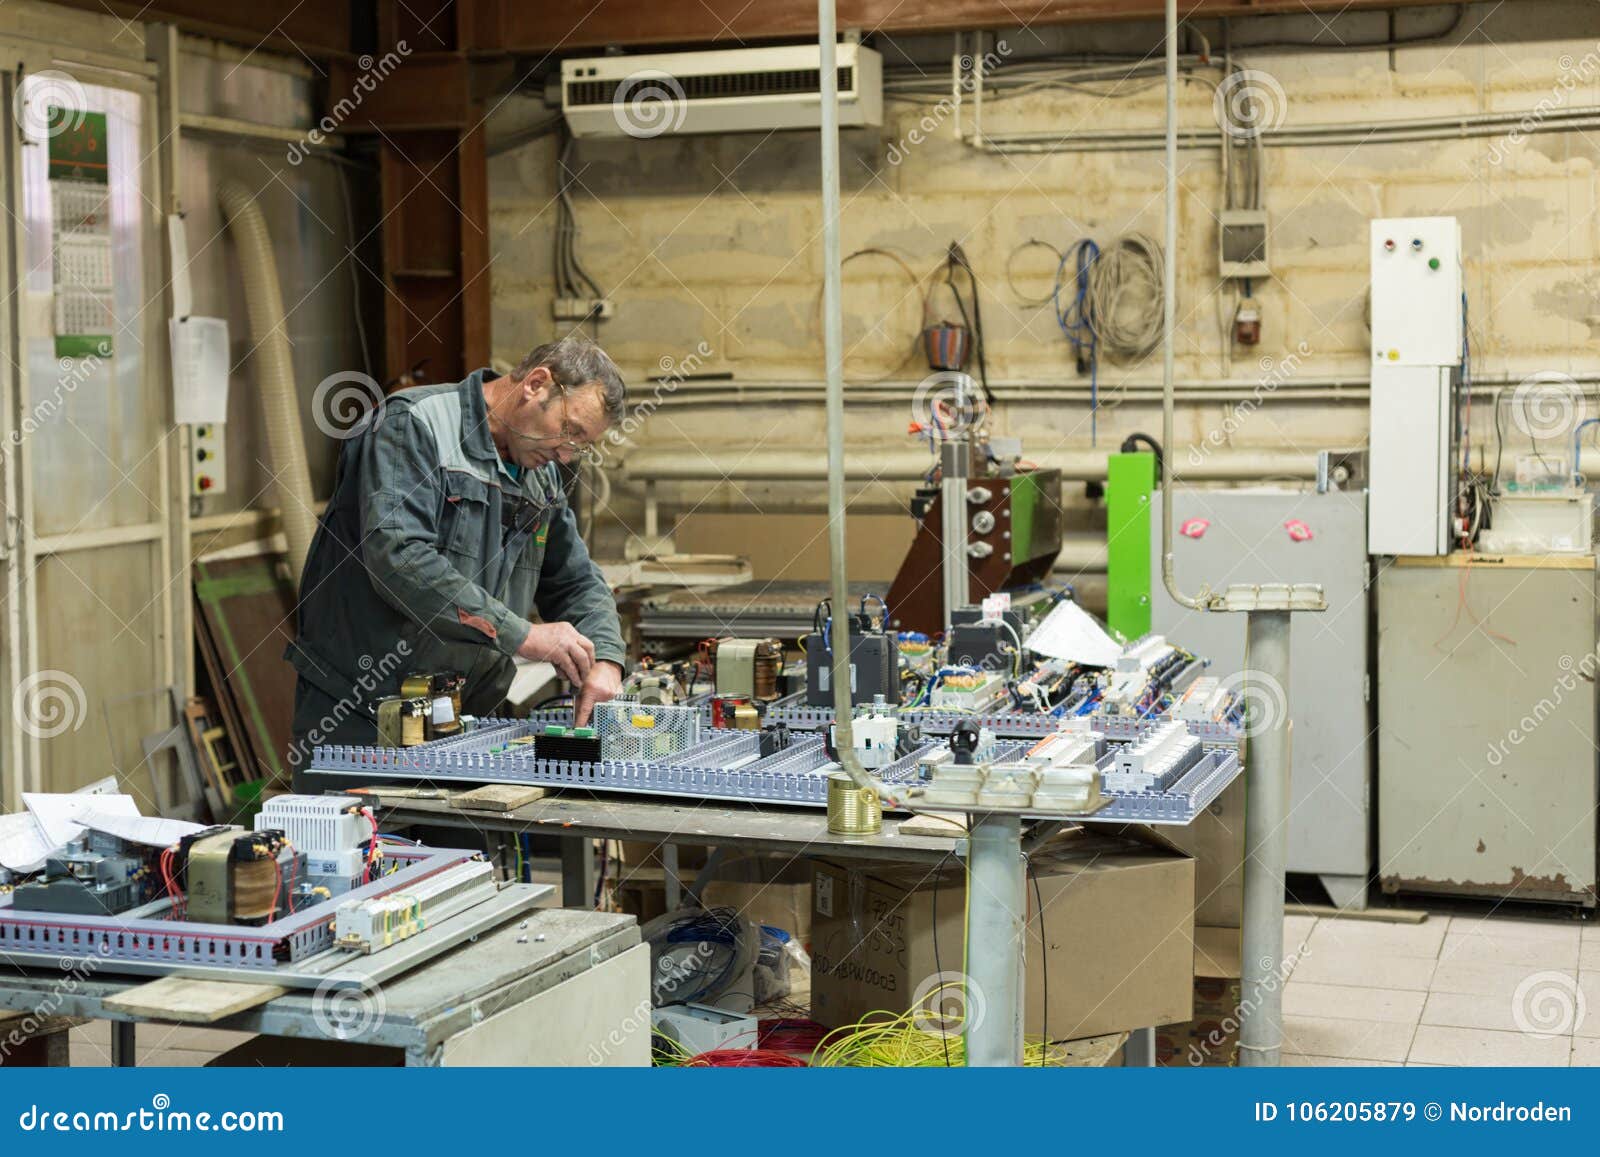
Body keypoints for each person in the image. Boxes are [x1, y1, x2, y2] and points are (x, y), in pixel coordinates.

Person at [286, 334, 627, 787]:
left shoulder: (541, 474)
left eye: (580, 445)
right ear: (536, 384)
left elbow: (575, 579)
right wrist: (522, 634)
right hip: (363, 713)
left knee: (462, 839)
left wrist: (606, 659)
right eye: (569, 430)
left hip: (464, 717)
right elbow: (400, 557)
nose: (566, 453)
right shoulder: (413, 425)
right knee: (361, 834)